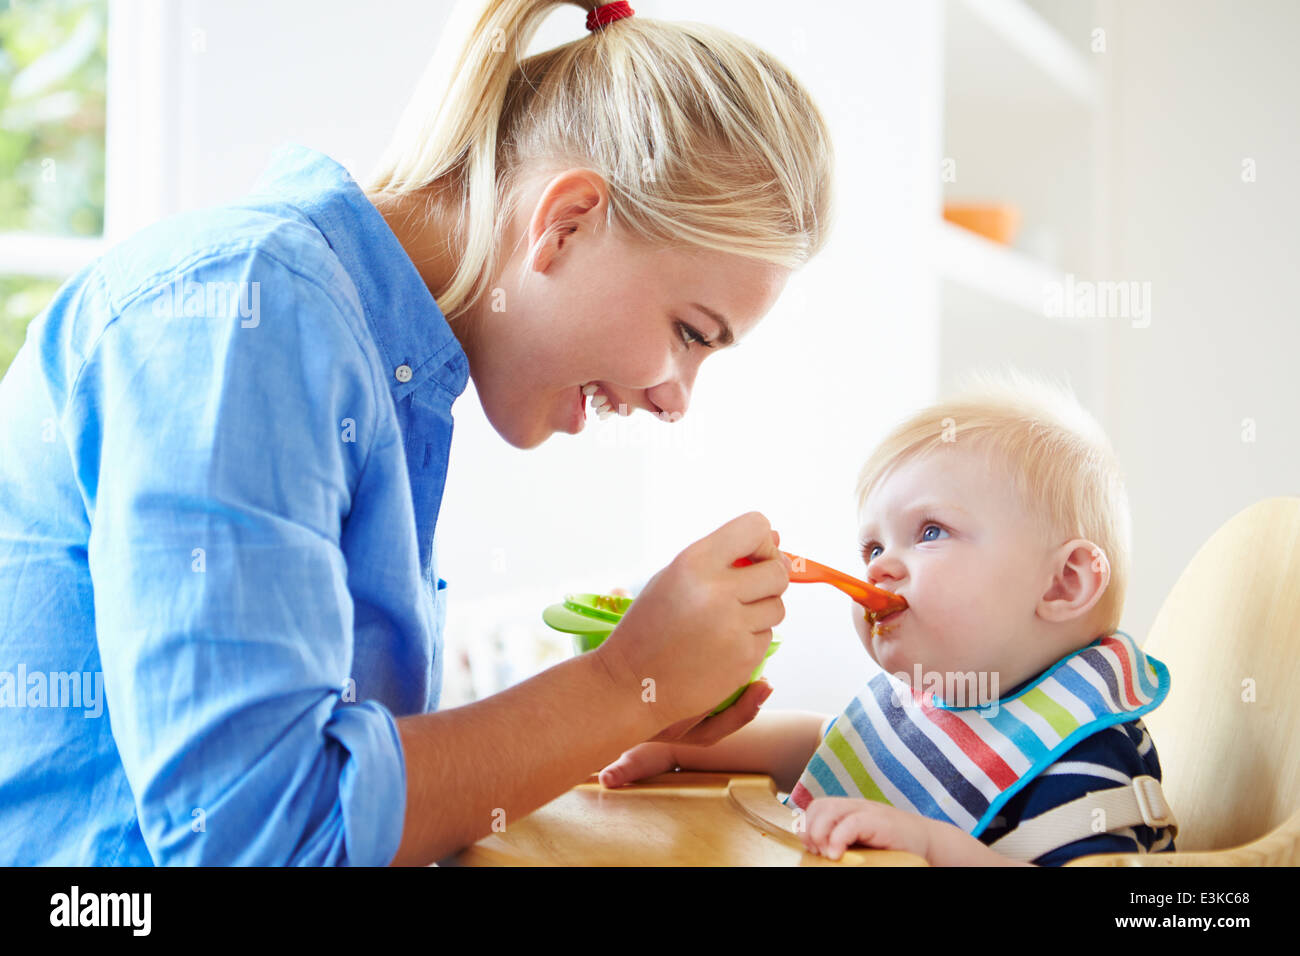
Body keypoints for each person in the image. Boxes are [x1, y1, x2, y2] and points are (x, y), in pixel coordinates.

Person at [0, 0, 833, 865]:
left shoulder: (364, 353)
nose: (676, 401)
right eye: (692, 332)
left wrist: (626, 703)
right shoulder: (247, 315)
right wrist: (618, 688)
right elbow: (267, 842)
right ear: (568, 222)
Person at [599, 370, 1178, 865]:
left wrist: (929, 848)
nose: (880, 570)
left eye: (930, 532)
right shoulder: (949, 695)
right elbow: (827, 742)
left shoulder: (1082, 753)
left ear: (1063, 582)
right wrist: (684, 749)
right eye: (872, 549)